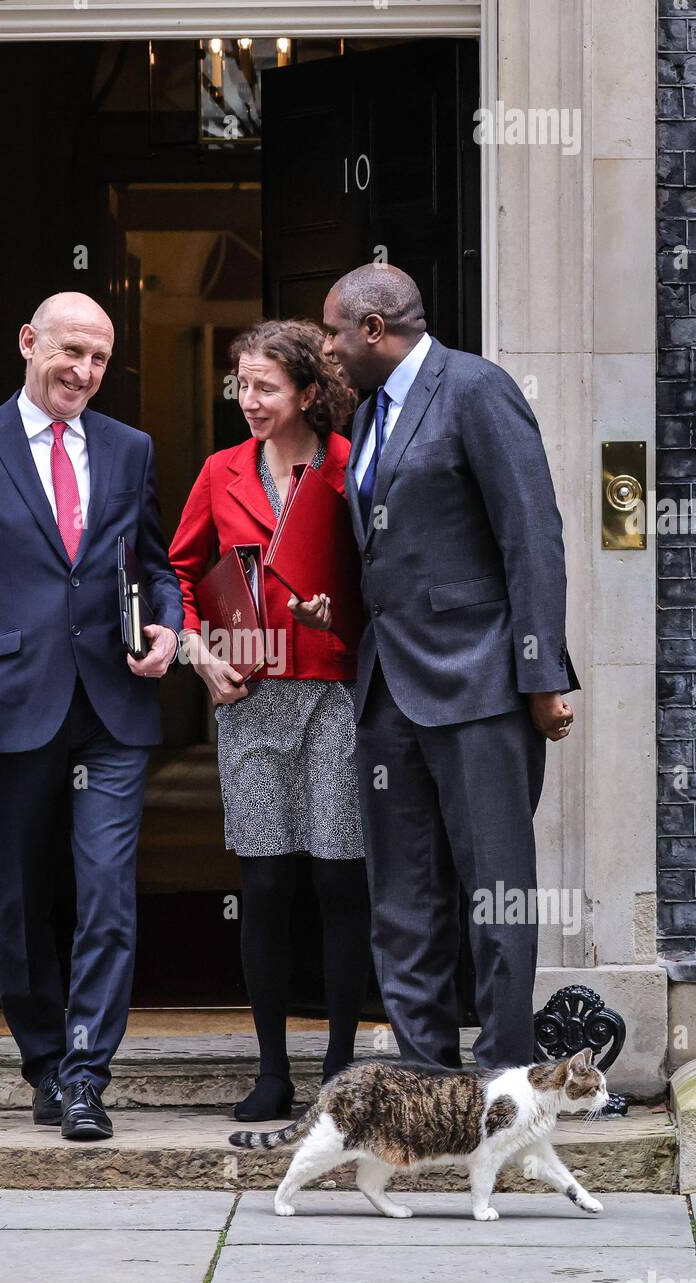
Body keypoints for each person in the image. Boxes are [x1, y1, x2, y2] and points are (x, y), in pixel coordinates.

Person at [0, 291, 182, 1141]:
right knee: (20, 900)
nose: (84, 372)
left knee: (106, 895)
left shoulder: (129, 448)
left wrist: (170, 625)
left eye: (99, 359)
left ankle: (88, 1074)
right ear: (28, 342)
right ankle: (45, 1067)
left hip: (111, 707)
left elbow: (159, 563)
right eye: (70, 351)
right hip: (8, 710)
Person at [320, 262, 579, 1071]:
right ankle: (425, 1079)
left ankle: (505, 1076)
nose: (326, 347)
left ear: (373, 329)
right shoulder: (367, 415)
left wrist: (541, 675)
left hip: (480, 686)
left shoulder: (477, 389)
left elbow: (531, 535)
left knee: (495, 894)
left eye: (333, 331)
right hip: (388, 689)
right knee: (402, 897)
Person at [169, 319, 372, 1121]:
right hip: (248, 699)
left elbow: (386, 571)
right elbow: (178, 571)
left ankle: (342, 1065)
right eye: (241, 386)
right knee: (265, 878)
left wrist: (344, 614)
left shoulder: (352, 466)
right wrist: (195, 649)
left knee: (337, 876)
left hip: (334, 690)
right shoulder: (220, 471)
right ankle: (271, 1070)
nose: (248, 400)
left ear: (309, 394)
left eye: (266, 387)